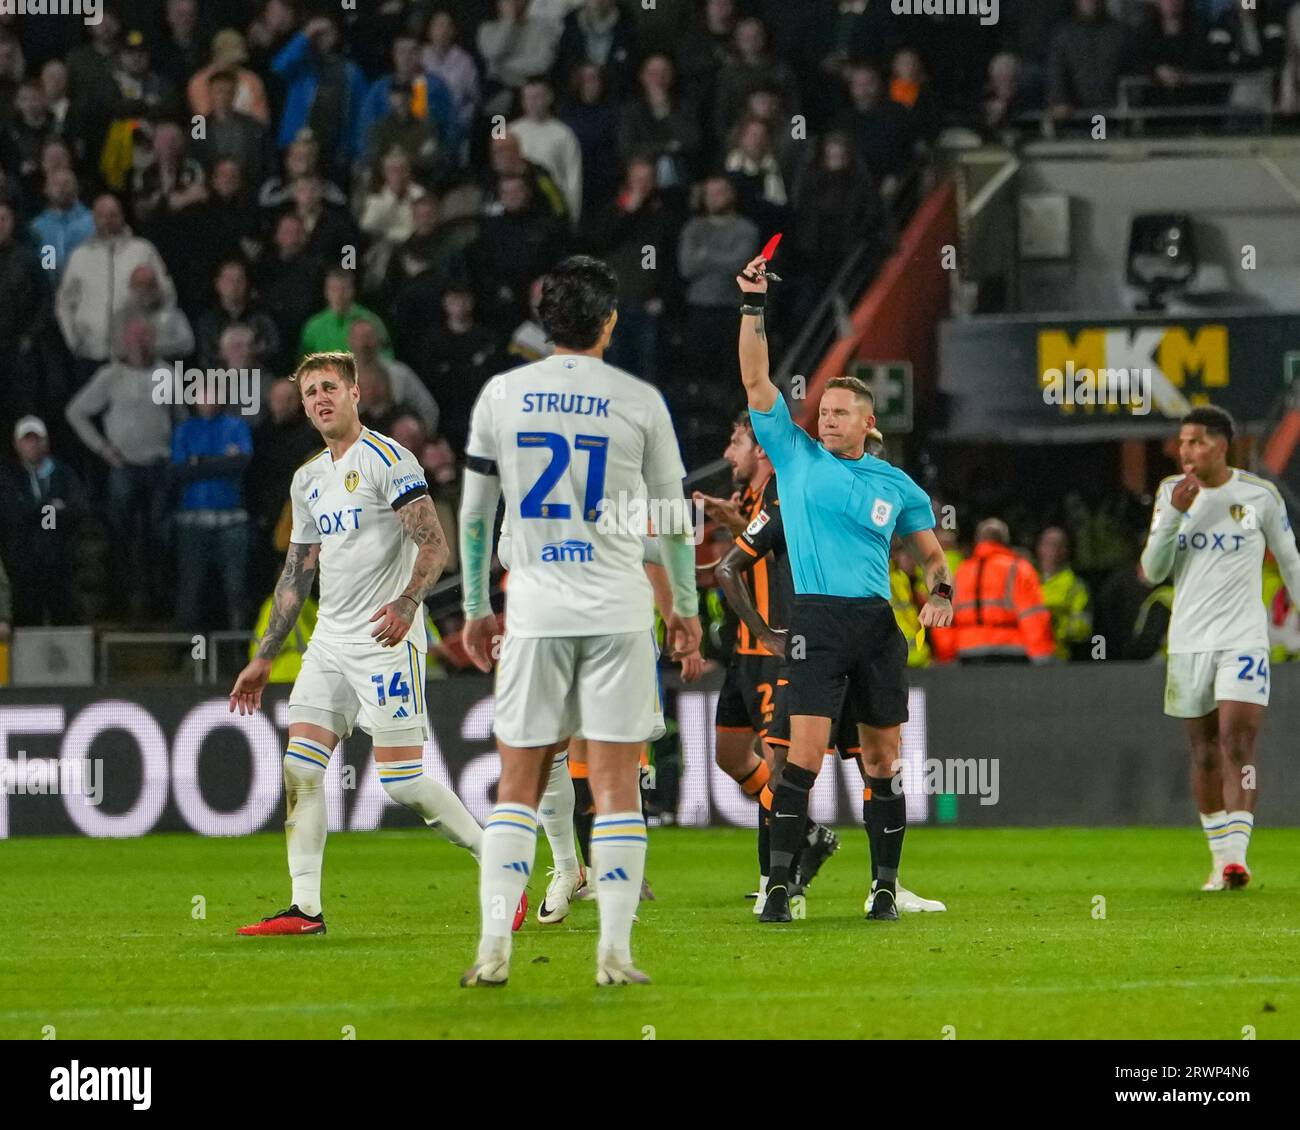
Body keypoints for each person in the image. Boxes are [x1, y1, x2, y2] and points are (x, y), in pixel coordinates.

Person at [457, 255, 701, 986]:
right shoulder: (640, 401)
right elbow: (673, 522)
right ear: (610, 323)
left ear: (544, 322)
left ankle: (493, 951)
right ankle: (615, 956)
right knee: (620, 788)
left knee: (517, 787)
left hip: (533, 611)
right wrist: (684, 606)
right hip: (619, 611)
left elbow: (474, 516)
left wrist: (475, 607)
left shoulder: (501, 396)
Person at [229, 351, 521, 936]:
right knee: (301, 768)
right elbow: (296, 574)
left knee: (403, 782)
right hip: (331, 643)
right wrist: (264, 656)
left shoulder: (390, 459)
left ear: (356, 392)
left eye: (330, 387)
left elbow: (432, 545)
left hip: (387, 639)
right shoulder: (307, 478)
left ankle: (501, 864)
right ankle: (305, 908)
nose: (319, 399)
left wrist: (407, 603)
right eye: (310, 391)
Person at [734, 250, 953, 924]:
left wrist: (941, 591)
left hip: (878, 626)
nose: (825, 418)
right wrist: (752, 303)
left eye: (839, 412)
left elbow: (928, 555)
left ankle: (884, 887)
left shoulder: (900, 487)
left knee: (882, 764)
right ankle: (779, 887)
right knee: (800, 758)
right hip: (818, 623)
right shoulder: (796, 459)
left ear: (868, 423)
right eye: (822, 409)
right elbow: (755, 377)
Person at [1139, 406, 1300, 892]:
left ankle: (1237, 857)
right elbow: (1153, 569)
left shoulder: (1258, 495)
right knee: (1205, 751)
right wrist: (1174, 518)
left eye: (1196, 442)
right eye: (1182, 443)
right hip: (1188, 642)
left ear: (1221, 444)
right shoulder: (1171, 494)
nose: (1185, 451)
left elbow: (1291, 561)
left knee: (1237, 741)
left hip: (1244, 639)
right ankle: (1219, 858)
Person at [701, 410, 836, 909]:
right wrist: (732, 516)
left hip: (772, 646)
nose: (727, 454)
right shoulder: (755, 498)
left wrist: (734, 523)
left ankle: (774, 876)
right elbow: (760, 535)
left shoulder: (781, 488)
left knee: (779, 765)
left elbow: (767, 546)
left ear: (761, 449)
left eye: (735, 442)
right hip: (744, 650)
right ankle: (805, 833)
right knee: (731, 755)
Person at [56, 193, 176, 384]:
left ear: (122, 216)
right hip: (91, 354)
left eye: (113, 214)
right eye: (102, 215)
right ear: (94, 218)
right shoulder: (79, 256)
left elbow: (167, 295)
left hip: (133, 355)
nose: (108, 220)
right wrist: (73, 341)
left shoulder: (143, 250)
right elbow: (64, 302)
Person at [170, 384, 253, 633]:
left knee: (236, 587)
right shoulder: (185, 430)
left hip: (232, 520)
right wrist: (222, 461)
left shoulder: (237, 426)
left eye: (213, 395)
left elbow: (242, 462)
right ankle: (188, 653)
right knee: (191, 588)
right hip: (193, 521)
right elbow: (179, 470)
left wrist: (199, 462)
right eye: (203, 396)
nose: (208, 401)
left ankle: (240, 650)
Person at [1, 417, 86, 627]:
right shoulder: (9, 475)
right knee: (26, 617)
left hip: (59, 559)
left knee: (63, 615)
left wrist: (39, 512)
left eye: (37, 439)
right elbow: (13, 513)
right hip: (23, 562)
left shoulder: (63, 473)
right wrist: (49, 507)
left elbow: (78, 507)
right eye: (27, 440)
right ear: (17, 444)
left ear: (46, 442)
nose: (32, 445)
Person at [939, 519, 1055, 665]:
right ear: (1005, 541)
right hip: (1011, 651)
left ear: (978, 540)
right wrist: (1041, 656)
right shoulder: (1019, 569)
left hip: (968, 652)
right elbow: (1032, 616)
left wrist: (946, 654)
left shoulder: (961, 572)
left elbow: (943, 618)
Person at [1037, 525, 1092, 660]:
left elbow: (1083, 628)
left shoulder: (1075, 586)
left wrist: (1054, 624)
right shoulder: (1028, 581)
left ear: (1066, 550)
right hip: (1026, 659)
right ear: (1040, 548)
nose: (1054, 550)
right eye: (1049, 544)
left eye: (1059, 545)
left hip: (1058, 658)